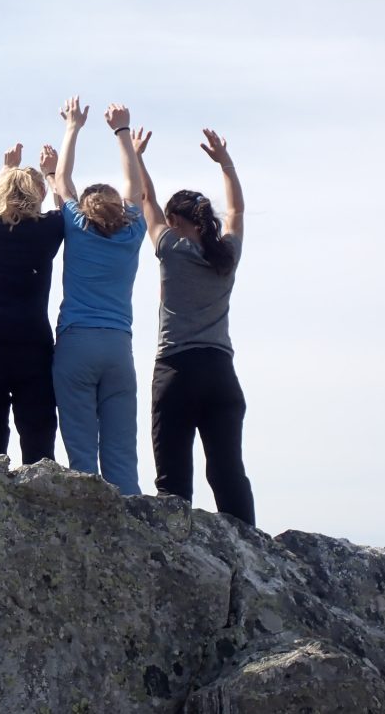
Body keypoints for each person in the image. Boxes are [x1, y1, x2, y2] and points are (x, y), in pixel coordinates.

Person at [135, 127, 255, 526]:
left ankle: (174, 568)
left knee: (172, 485)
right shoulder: (227, 255)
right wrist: (226, 164)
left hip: (177, 371)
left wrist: (136, 154)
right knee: (227, 474)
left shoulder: (171, 249)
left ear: (175, 221)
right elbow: (236, 213)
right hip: (221, 374)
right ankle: (250, 557)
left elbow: (145, 199)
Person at [50, 98, 146, 495]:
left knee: (82, 455)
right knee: (122, 455)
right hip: (118, 347)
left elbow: (61, 183)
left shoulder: (77, 227)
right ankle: (135, 537)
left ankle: (89, 538)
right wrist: (122, 133)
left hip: (76, 343)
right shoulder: (132, 232)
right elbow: (135, 190)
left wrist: (72, 127)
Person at [0, 142, 65, 464]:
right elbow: (69, 209)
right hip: (32, 341)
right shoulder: (49, 228)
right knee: (38, 433)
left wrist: (7, 168)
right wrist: (52, 174)